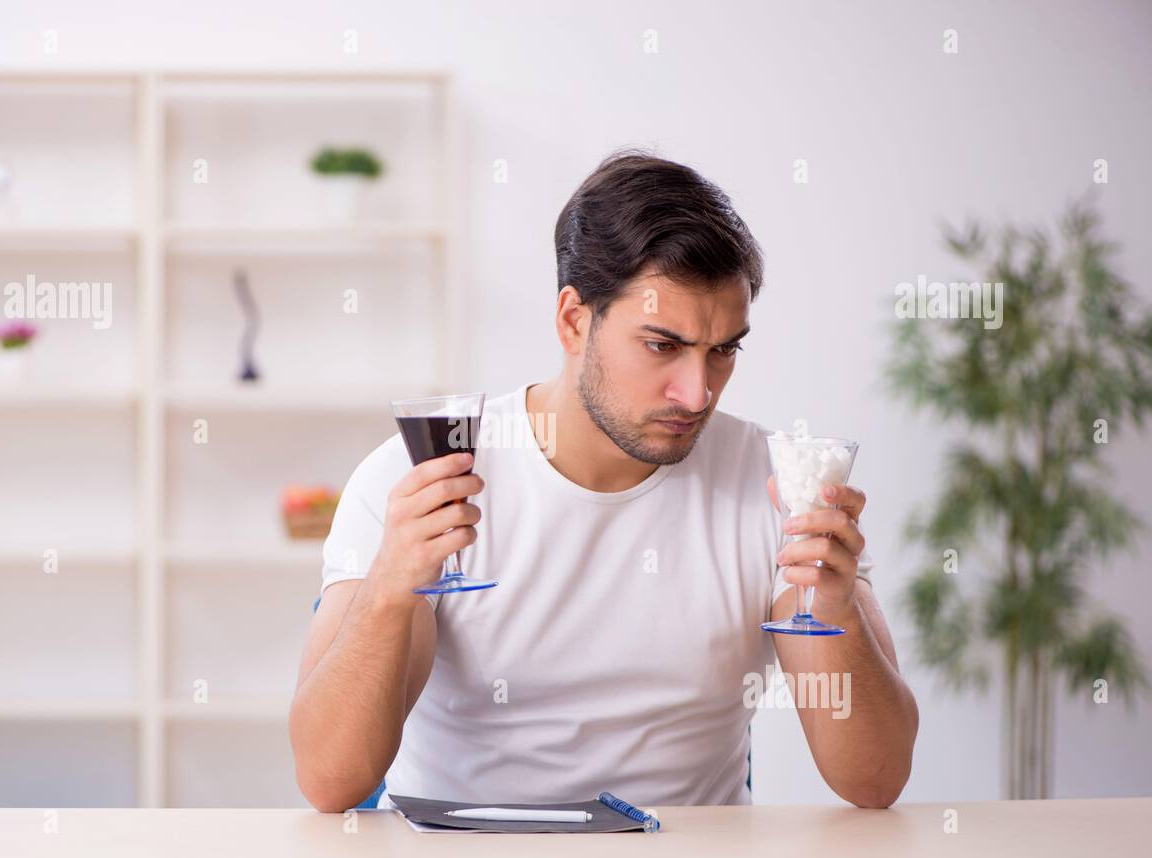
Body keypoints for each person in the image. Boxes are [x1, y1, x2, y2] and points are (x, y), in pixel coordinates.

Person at [290, 149, 919, 812]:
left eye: (724, 349)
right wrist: (390, 587)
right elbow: (331, 780)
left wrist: (837, 608)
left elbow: (874, 780)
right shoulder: (423, 474)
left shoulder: (775, 486)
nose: (697, 391)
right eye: (661, 345)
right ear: (573, 320)